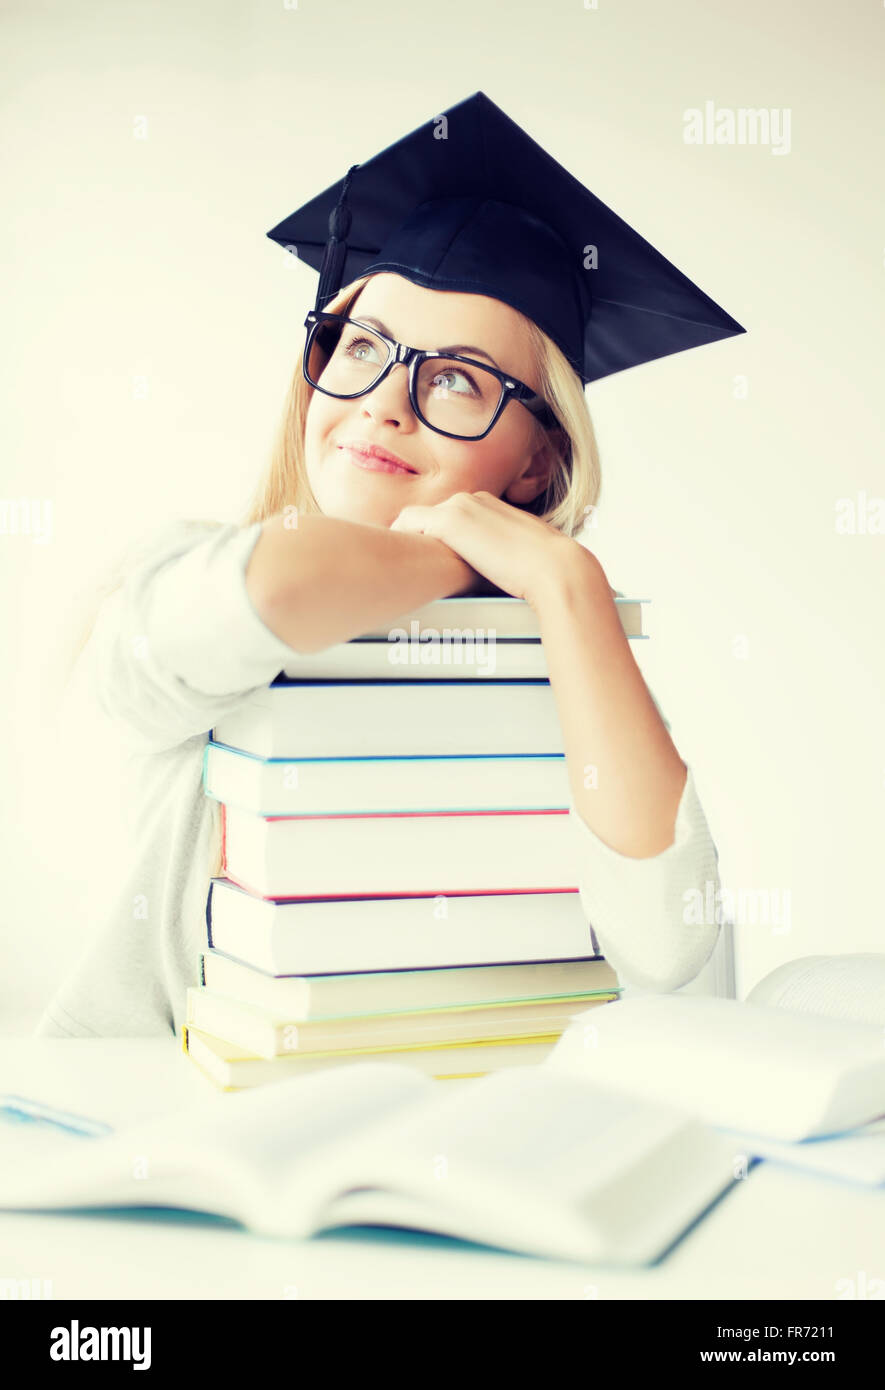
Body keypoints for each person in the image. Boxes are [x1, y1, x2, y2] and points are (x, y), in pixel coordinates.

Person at [35, 91, 742, 1038]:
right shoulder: (179, 570)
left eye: (454, 378)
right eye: (362, 345)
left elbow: (666, 945)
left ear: (539, 459)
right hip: (156, 1112)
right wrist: (449, 554)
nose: (383, 403)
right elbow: (278, 588)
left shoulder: (567, 660)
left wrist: (570, 588)